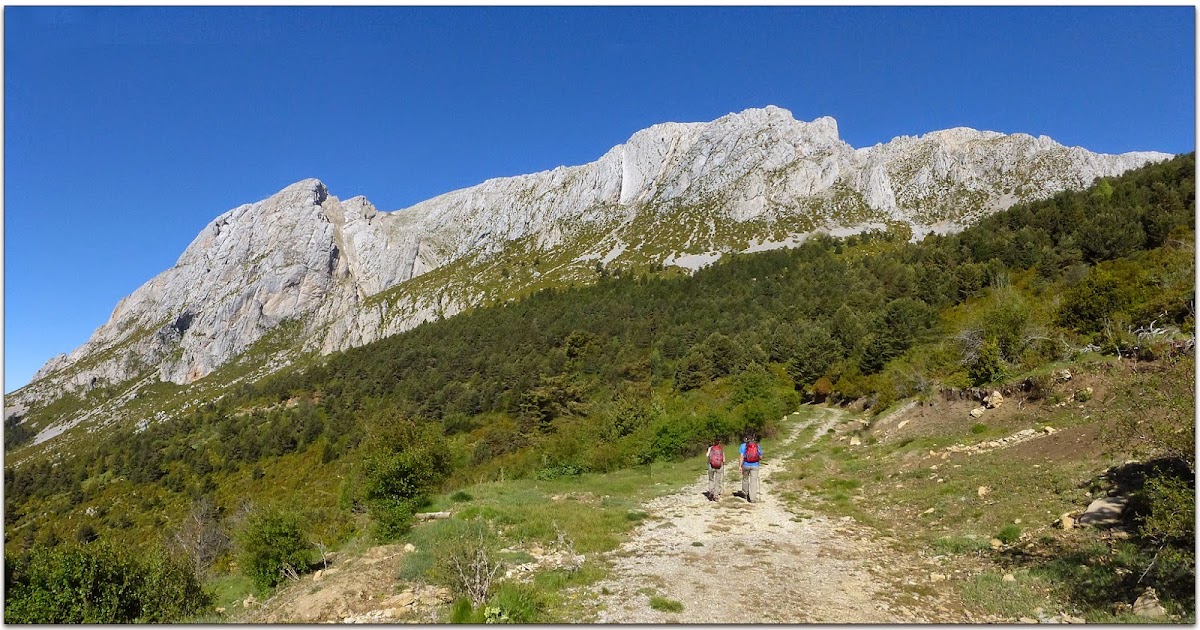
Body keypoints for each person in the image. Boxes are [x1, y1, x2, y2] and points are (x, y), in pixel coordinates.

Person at [738, 433, 762, 503]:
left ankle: (745, 494)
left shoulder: (743, 446)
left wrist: (740, 466)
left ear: (746, 439)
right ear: (753, 439)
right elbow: (761, 457)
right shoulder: (757, 445)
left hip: (745, 465)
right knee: (753, 481)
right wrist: (757, 459)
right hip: (755, 466)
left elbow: (741, 456)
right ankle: (752, 498)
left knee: (745, 479)